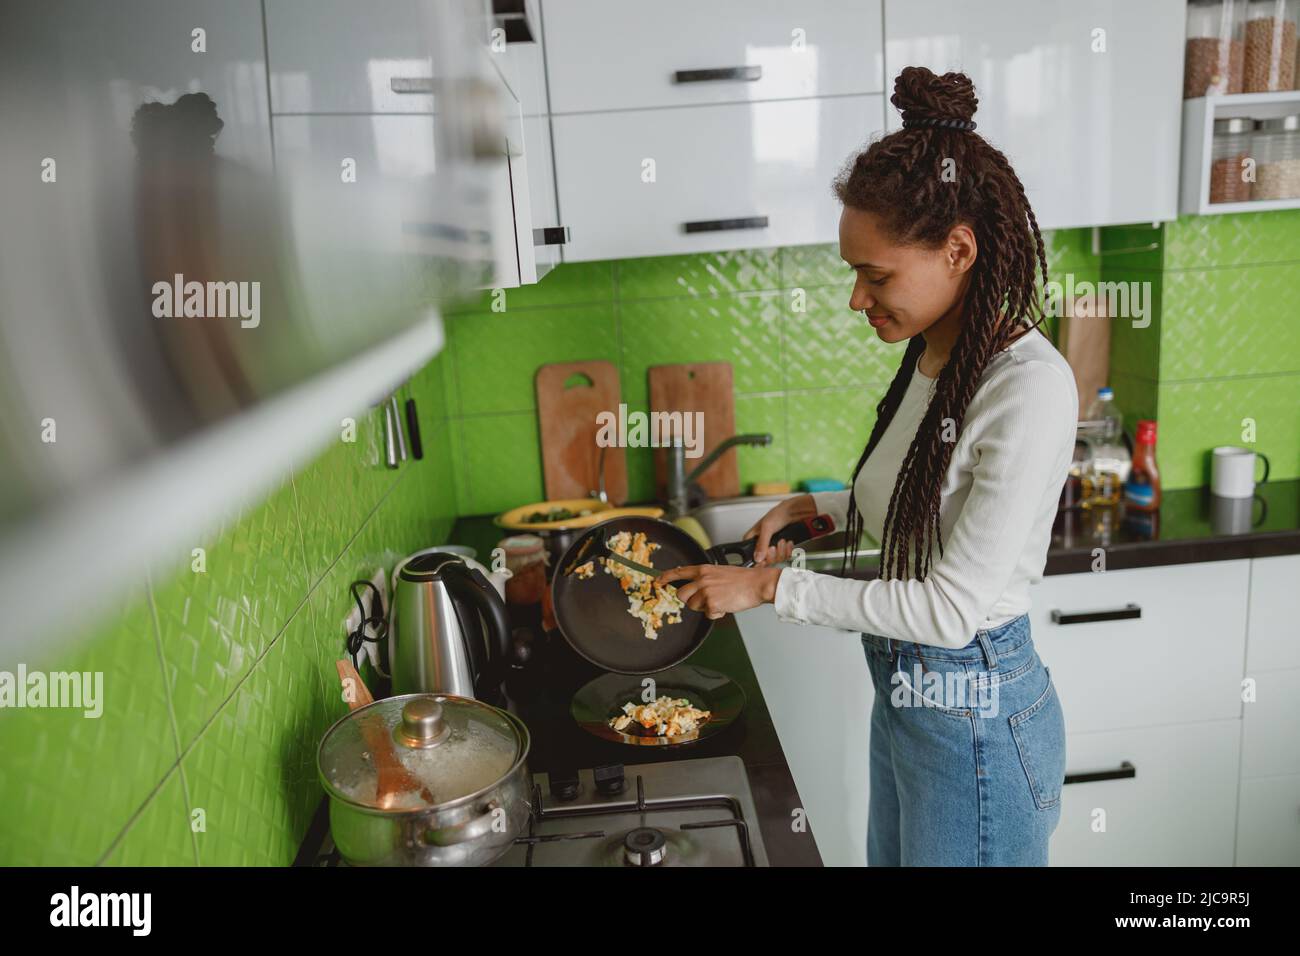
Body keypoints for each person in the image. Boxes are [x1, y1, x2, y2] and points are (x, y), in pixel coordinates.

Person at [653, 66, 1077, 866]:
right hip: (914, 697)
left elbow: (952, 612)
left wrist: (770, 584)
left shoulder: (1027, 389)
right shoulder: (935, 355)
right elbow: (928, 490)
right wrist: (826, 512)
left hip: (973, 707)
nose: (857, 299)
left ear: (958, 251)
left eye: (875, 275)